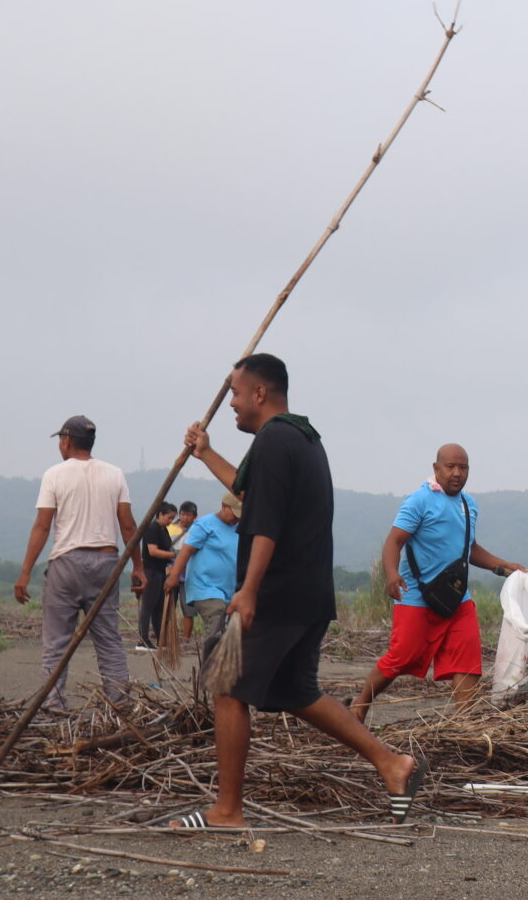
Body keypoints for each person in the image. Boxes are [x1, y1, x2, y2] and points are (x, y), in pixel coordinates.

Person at [175, 354, 422, 830]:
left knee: (225, 685)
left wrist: (248, 591)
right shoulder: (300, 438)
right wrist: (204, 452)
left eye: (237, 393)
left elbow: (263, 524)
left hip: (278, 593)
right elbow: (250, 496)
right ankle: (394, 765)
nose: (231, 404)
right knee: (296, 690)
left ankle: (227, 811)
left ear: (260, 394)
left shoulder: (274, 442)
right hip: (309, 595)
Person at [350, 444, 528, 721]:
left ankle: (464, 723)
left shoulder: (470, 505)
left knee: (467, 658)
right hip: (416, 595)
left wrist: (504, 567)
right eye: (450, 467)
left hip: (457, 597)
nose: (457, 473)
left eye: (463, 467)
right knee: (402, 656)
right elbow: (394, 542)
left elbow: (470, 549)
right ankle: (360, 704)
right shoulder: (418, 501)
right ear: (436, 469)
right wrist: (391, 574)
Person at [15, 415, 138, 710]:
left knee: (57, 644)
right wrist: (139, 567)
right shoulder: (114, 474)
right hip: (107, 563)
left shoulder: (54, 475)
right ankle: (119, 706)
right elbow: (128, 526)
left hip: (66, 564)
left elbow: (43, 526)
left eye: (60, 440)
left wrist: (25, 572)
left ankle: (53, 709)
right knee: (108, 640)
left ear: (66, 442)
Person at [167, 492, 241, 643]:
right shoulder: (204, 525)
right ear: (224, 507)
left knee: (231, 635)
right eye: (234, 513)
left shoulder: (240, 527)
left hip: (231, 590)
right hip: (206, 588)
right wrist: (174, 577)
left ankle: (223, 664)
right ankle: (211, 665)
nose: (236, 518)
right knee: (216, 627)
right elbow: (186, 551)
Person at [135, 501, 178, 650]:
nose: (171, 521)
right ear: (160, 514)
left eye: (173, 518)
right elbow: (153, 551)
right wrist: (174, 555)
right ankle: (142, 639)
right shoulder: (152, 528)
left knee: (158, 606)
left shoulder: (163, 530)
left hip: (161, 571)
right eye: (169, 517)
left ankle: (160, 639)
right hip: (151, 571)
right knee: (148, 605)